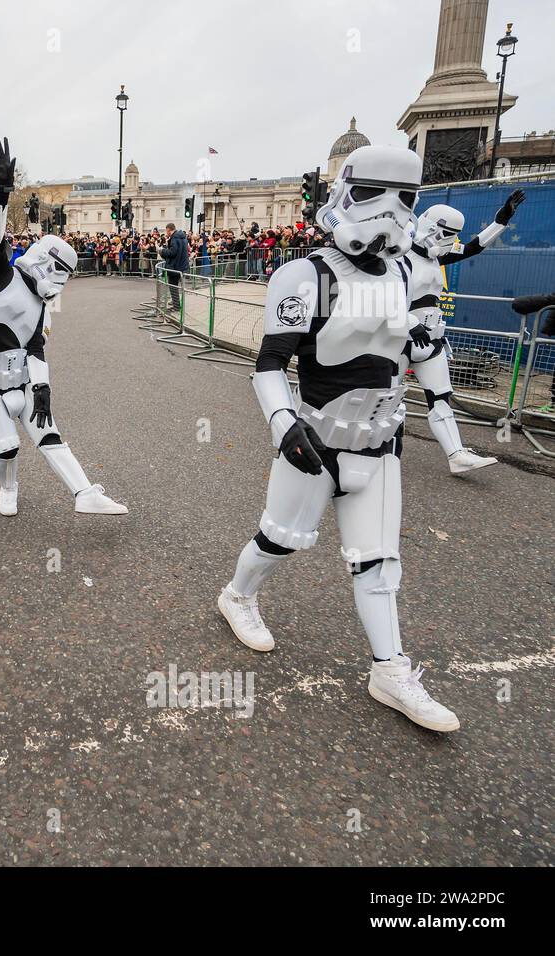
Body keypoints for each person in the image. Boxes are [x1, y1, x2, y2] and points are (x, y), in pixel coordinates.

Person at [218, 144, 458, 733]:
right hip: (317, 436)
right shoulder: (304, 275)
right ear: (346, 194)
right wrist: (283, 423)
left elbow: (412, 349)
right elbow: (271, 363)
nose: (394, 213)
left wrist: (429, 356)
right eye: (378, 195)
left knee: (378, 563)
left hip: (381, 438)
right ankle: (237, 595)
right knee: (282, 539)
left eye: (407, 200)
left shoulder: (405, 273)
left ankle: (390, 669)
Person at [0, 138, 127, 518]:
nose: (60, 282)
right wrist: (1, 193)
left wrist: (42, 388)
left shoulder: (43, 307)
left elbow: (37, 348)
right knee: (6, 447)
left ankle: (85, 492)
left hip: (22, 381)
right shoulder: (3, 277)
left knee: (49, 434)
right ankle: (9, 487)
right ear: (42, 259)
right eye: (60, 272)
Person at [401, 190, 525, 474]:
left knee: (440, 399)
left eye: (453, 235)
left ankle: (456, 454)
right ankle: (373, 453)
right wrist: (408, 322)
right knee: (389, 399)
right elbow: (382, 298)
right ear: (431, 227)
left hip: (430, 340)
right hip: (398, 340)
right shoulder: (400, 258)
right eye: (446, 233)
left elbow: (472, 247)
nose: (450, 241)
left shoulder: (435, 258)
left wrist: (500, 222)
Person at [159, 222, 188, 309]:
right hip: (181, 265)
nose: (166, 233)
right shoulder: (183, 237)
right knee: (175, 286)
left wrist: (162, 251)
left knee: (173, 286)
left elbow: (173, 252)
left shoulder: (175, 238)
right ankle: (176, 304)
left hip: (174, 266)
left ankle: (176, 306)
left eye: (166, 231)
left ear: (168, 230)